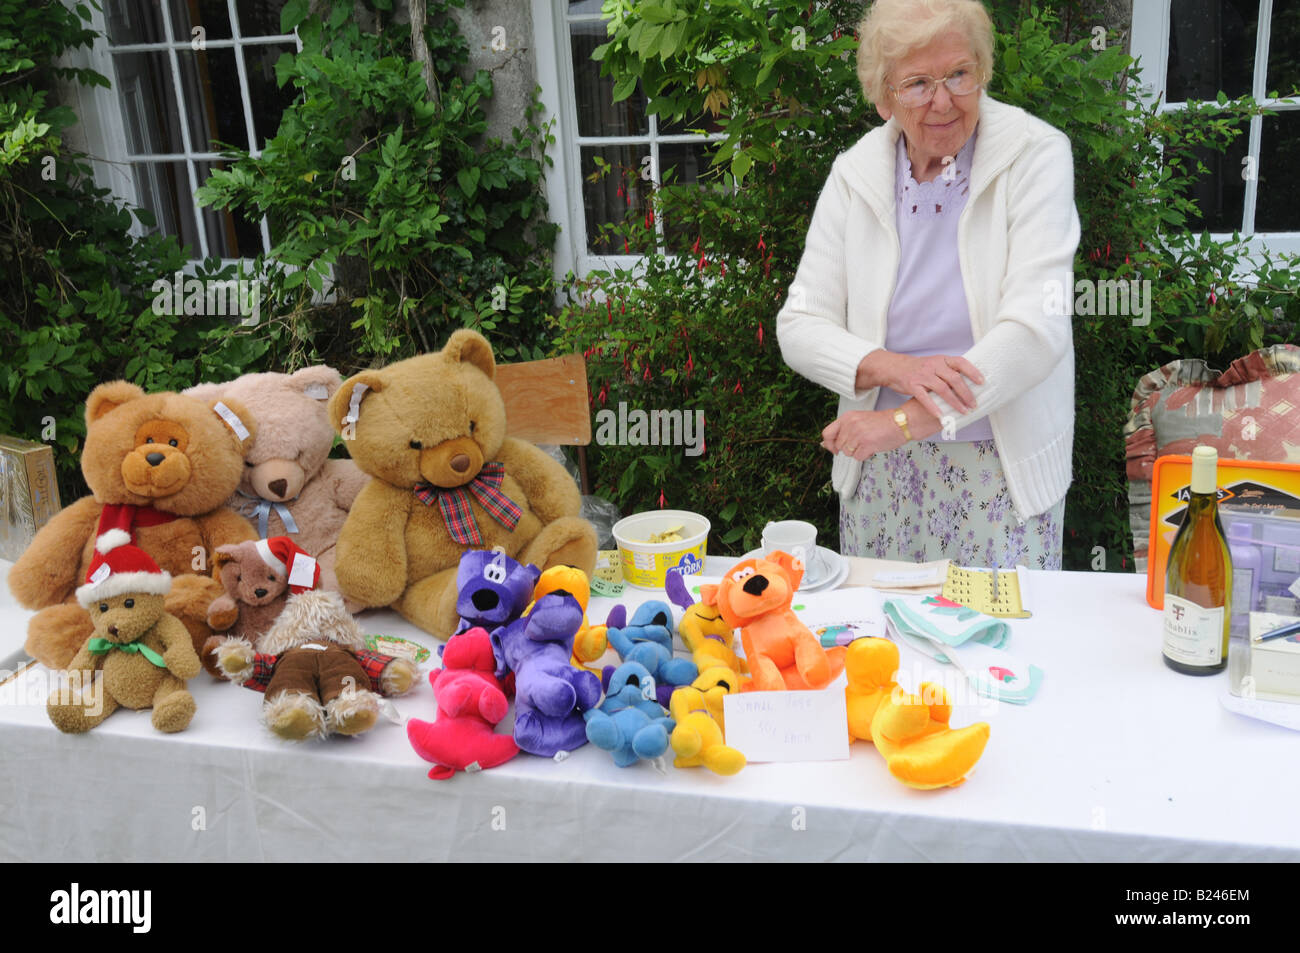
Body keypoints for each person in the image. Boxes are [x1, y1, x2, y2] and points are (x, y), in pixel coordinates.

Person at [776, 0, 1079, 569]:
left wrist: (903, 421)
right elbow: (800, 325)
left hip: (997, 467)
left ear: (982, 70)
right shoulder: (856, 173)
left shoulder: (1035, 156)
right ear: (883, 94)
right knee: (884, 646)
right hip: (881, 468)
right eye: (917, 83)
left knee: (997, 647)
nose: (942, 101)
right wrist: (897, 368)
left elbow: (1036, 329)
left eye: (959, 75)